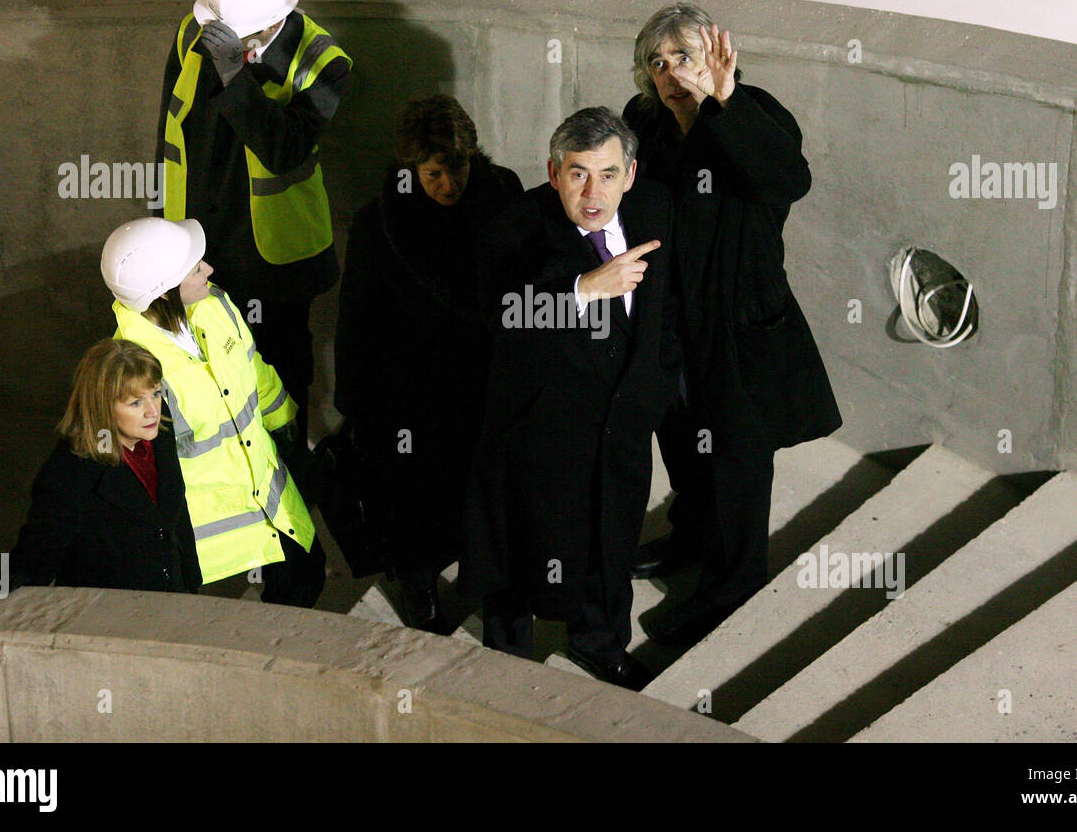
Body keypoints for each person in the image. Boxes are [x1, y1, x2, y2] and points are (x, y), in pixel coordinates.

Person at [623, 2, 842, 647]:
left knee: (738, 464)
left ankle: (732, 585)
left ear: (718, 59)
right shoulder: (644, 121)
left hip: (739, 326)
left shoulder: (754, 115)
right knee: (683, 443)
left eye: (682, 58)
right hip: (670, 322)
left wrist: (723, 102)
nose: (668, 75)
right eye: (656, 64)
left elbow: (787, 178)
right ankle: (689, 540)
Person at [462, 107, 678, 690]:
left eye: (608, 175)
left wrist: (655, 389)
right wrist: (584, 290)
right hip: (539, 434)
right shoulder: (509, 232)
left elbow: (668, 311)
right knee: (521, 547)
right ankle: (505, 661)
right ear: (554, 171)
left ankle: (600, 645)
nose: (593, 193)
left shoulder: (655, 207)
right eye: (578, 174)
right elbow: (504, 317)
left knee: (610, 541)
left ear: (629, 174)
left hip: (623, 428)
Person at [333, 95, 522, 632]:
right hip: (410, 387)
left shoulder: (500, 193)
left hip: (484, 375)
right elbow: (357, 315)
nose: (448, 184)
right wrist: (356, 400)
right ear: (410, 170)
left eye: (457, 168)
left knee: (482, 489)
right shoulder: (381, 222)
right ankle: (418, 585)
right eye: (434, 172)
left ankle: (484, 577)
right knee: (414, 494)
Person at [155, 0, 352, 442]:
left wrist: (234, 76)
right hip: (200, 240)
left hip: (273, 255)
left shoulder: (323, 62)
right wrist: (164, 229)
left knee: (278, 369)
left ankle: (290, 472)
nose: (216, 36)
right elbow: (170, 134)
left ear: (271, 23)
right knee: (209, 365)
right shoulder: (195, 33)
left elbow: (283, 149)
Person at [101, 216, 325, 607]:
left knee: (305, 578)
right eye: (195, 268)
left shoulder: (213, 304)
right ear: (165, 291)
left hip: (267, 490)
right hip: (209, 531)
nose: (209, 269)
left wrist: (283, 422)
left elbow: (252, 364)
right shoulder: (134, 371)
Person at [9, 339, 201, 594]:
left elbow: (175, 518)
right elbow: (34, 562)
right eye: (135, 403)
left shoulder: (157, 426)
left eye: (155, 394)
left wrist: (191, 587)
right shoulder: (70, 472)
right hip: (111, 618)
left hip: (173, 599)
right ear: (102, 405)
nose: (152, 411)